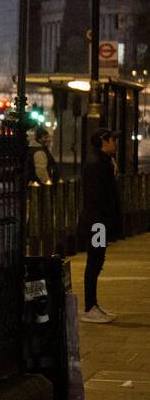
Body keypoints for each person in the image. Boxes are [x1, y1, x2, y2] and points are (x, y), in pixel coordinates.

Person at [79, 128, 120, 323]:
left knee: (98, 259)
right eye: (113, 140)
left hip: (99, 222)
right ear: (104, 141)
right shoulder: (96, 165)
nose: (116, 143)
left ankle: (93, 304)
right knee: (94, 261)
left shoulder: (102, 162)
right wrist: (103, 221)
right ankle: (90, 307)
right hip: (97, 223)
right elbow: (98, 197)